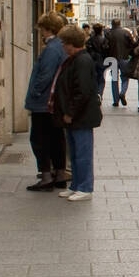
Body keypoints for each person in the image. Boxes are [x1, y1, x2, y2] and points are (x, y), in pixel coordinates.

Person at [51, 25, 101, 202]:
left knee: (82, 152)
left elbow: (83, 91)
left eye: (64, 43)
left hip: (82, 116)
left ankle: (85, 187)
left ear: (72, 44)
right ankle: (76, 185)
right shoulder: (73, 59)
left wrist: (70, 112)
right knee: (74, 153)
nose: (63, 46)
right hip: (74, 115)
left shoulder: (82, 61)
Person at [24, 11, 71, 191]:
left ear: (48, 28)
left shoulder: (52, 48)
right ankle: (59, 174)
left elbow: (45, 76)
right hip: (54, 101)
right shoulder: (60, 46)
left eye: (42, 28)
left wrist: (34, 93)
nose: (40, 32)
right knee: (56, 138)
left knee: (39, 139)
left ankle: (46, 176)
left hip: (44, 102)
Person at [106, 19, 135, 108]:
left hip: (113, 59)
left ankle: (116, 100)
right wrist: (129, 53)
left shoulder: (108, 34)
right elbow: (132, 44)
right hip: (124, 58)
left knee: (114, 79)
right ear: (120, 24)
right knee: (125, 78)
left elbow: (105, 46)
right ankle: (122, 93)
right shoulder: (126, 33)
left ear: (112, 24)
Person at [87, 22, 110, 96]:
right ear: (101, 30)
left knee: (94, 78)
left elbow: (87, 50)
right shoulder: (104, 40)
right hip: (101, 61)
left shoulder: (90, 40)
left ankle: (95, 93)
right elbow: (106, 50)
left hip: (92, 61)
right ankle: (99, 93)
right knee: (101, 79)